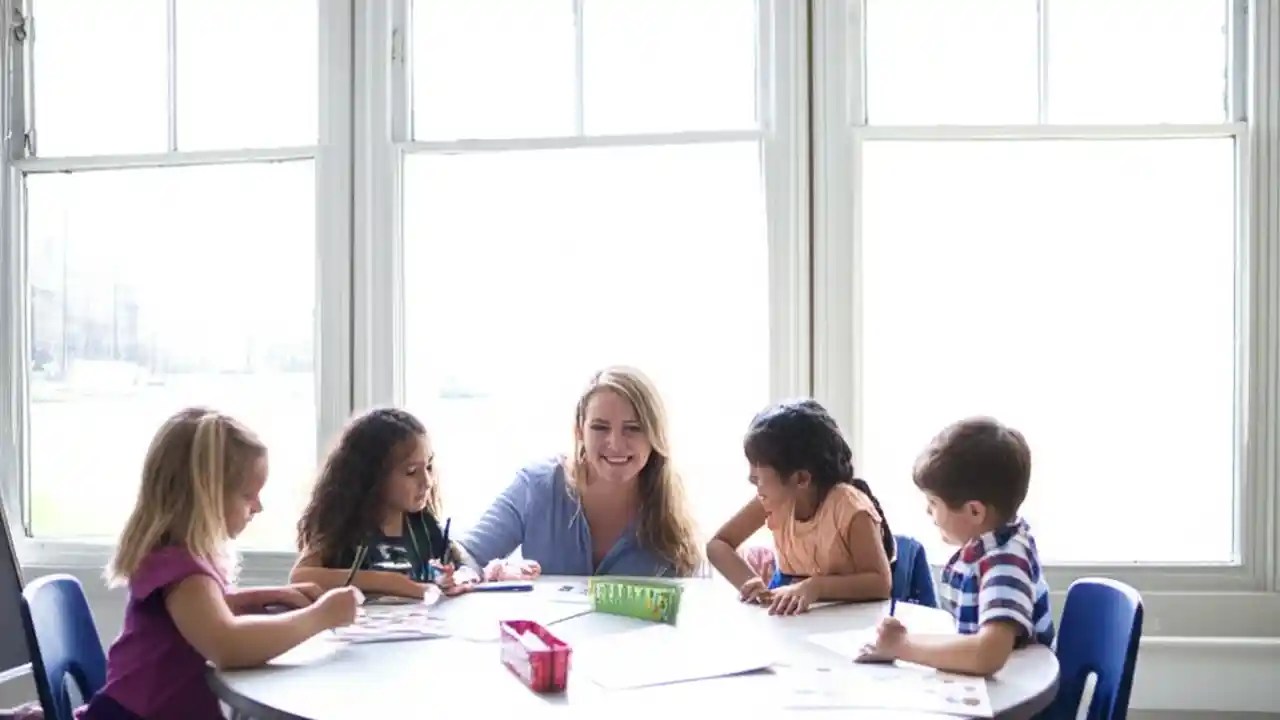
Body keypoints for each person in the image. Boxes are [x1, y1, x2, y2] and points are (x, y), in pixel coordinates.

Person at [80, 408, 361, 720]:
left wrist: (268, 596)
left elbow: (201, 612)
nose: (258, 507)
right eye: (248, 495)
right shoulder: (182, 570)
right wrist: (320, 616)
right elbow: (227, 645)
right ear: (205, 496)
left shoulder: (178, 558)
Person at [458, 366, 702, 578]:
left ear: (654, 436)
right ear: (579, 432)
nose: (616, 444)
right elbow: (465, 556)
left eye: (633, 428)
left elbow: (695, 599)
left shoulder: (673, 513)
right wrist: (489, 574)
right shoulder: (535, 486)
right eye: (600, 427)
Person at [865, 416, 1054, 676]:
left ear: (975, 511)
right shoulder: (993, 544)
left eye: (933, 503)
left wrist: (903, 647)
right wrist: (903, 642)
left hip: (1018, 695)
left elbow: (987, 655)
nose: (928, 512)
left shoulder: (1006, 563)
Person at [706, 399, 895, 615]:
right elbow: (718, 545)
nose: (751, 479)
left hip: (849, 621)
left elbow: (881, 583)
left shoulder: (850, 508)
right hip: (797, 618)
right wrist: (751, 583)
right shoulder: (775, 501)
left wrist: (815, 587)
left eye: (759, 477)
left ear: (801, 479)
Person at [292, 408, 475, 599]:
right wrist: (390, 582)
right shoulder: (345, 529)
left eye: (428, 467)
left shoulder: (424, 528)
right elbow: (300, 576)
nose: (427, 482)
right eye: (411, 472)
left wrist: (455, 579)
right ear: (372, 476)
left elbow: (468, 568)